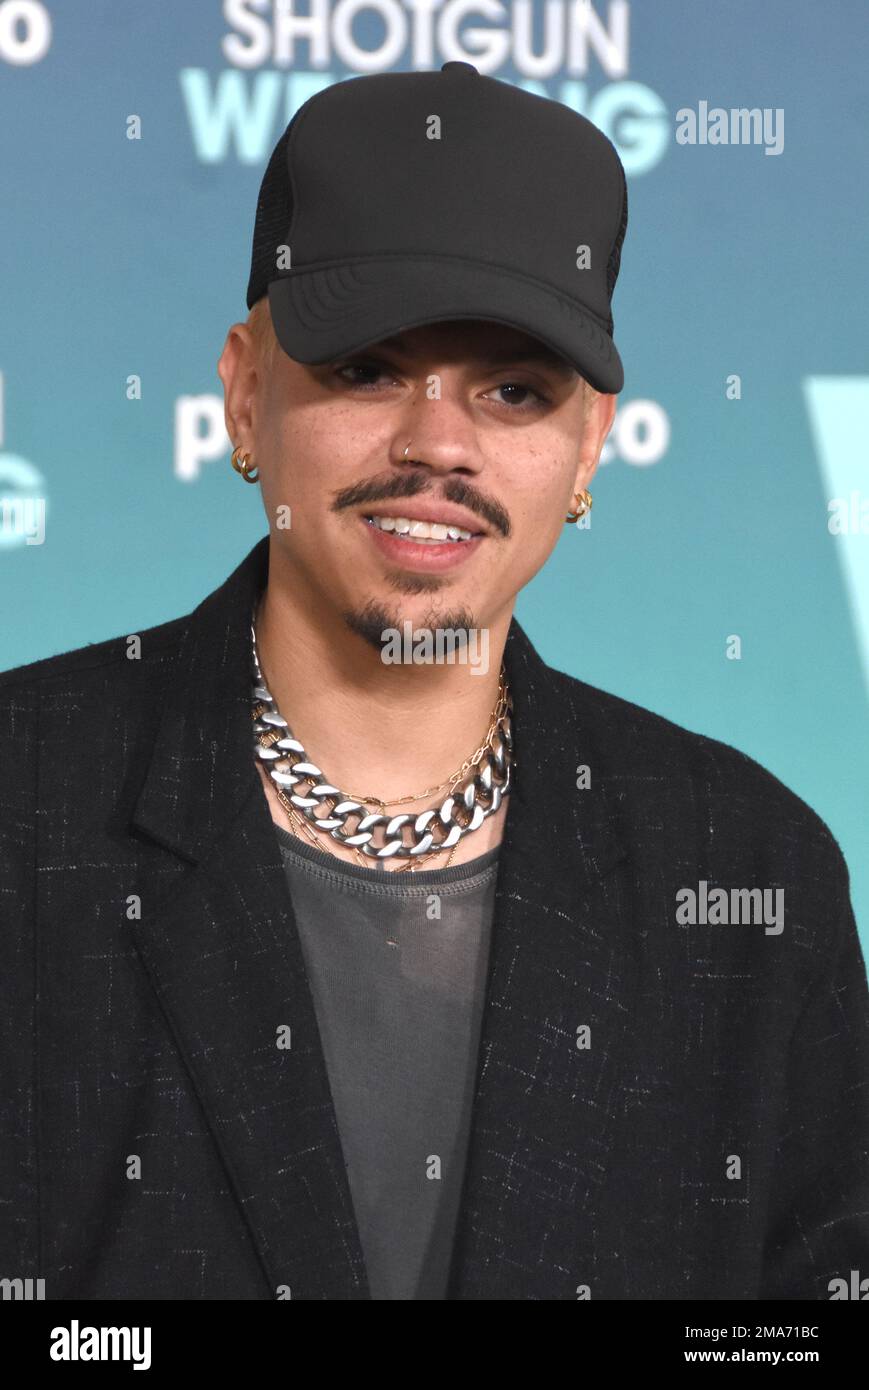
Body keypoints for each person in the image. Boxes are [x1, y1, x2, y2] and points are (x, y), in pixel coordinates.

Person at [1, 64, 867, 1303]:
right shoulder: (22, 805)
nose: (437, 446)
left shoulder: (747, 868)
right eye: (367, 368)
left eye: (514, 389)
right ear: (246, 391)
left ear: (589, 448)